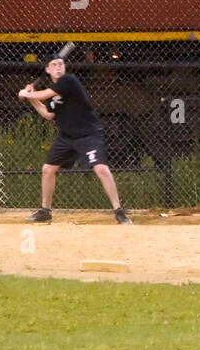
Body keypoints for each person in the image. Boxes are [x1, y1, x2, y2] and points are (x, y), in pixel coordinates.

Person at [18, 56, 131, 224]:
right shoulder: (55, 94)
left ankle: (119, 211)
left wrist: (27, 93)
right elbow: (48, 114)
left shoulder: (68, 80)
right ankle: (45, 211)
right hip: (66, 137)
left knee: (100, 168)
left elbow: (45, 94)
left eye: (61, 64)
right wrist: (31, 98)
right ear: (47, 70)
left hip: (88, 135)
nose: (58, 68)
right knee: (48, 169)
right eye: (54, 65)